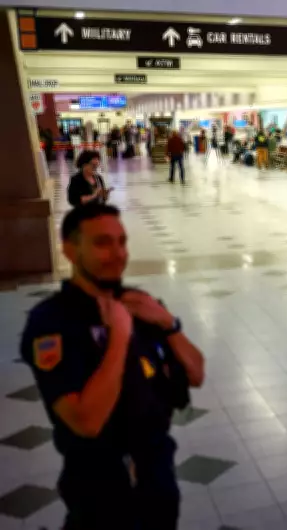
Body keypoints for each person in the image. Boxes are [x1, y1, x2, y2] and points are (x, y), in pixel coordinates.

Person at [20, 204, 206, 530]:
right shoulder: (52, 323)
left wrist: (168, 324)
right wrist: (120, 336)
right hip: (100, 492)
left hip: (157, 478)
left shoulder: (140, 303)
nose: (118, 253)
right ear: (69, 250)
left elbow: (196, 373)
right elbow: (87, 421)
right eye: (103, 243)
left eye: (122, 242)